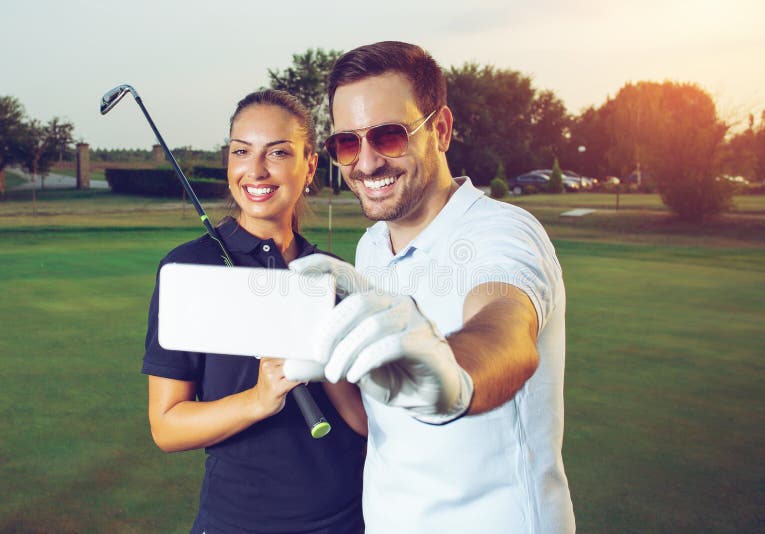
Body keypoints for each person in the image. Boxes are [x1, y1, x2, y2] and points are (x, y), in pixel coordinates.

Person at [287, 42, 576, 533]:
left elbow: (507, 327)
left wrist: (454, 376)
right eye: (348, 144)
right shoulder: (372, 248)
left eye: (389, 136)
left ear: (440, 129)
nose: (367, 163)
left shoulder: (502, 232)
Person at [141, 89, 367, 534]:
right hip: (238, 521)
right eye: (241, 151)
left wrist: (324, 359)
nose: (256, 170)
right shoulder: (189, 269)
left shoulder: (334, 276)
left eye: (278, 152)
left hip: (346, 519)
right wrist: (259, 400)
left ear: (310, 166)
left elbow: (362, 421)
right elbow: (167, 427)